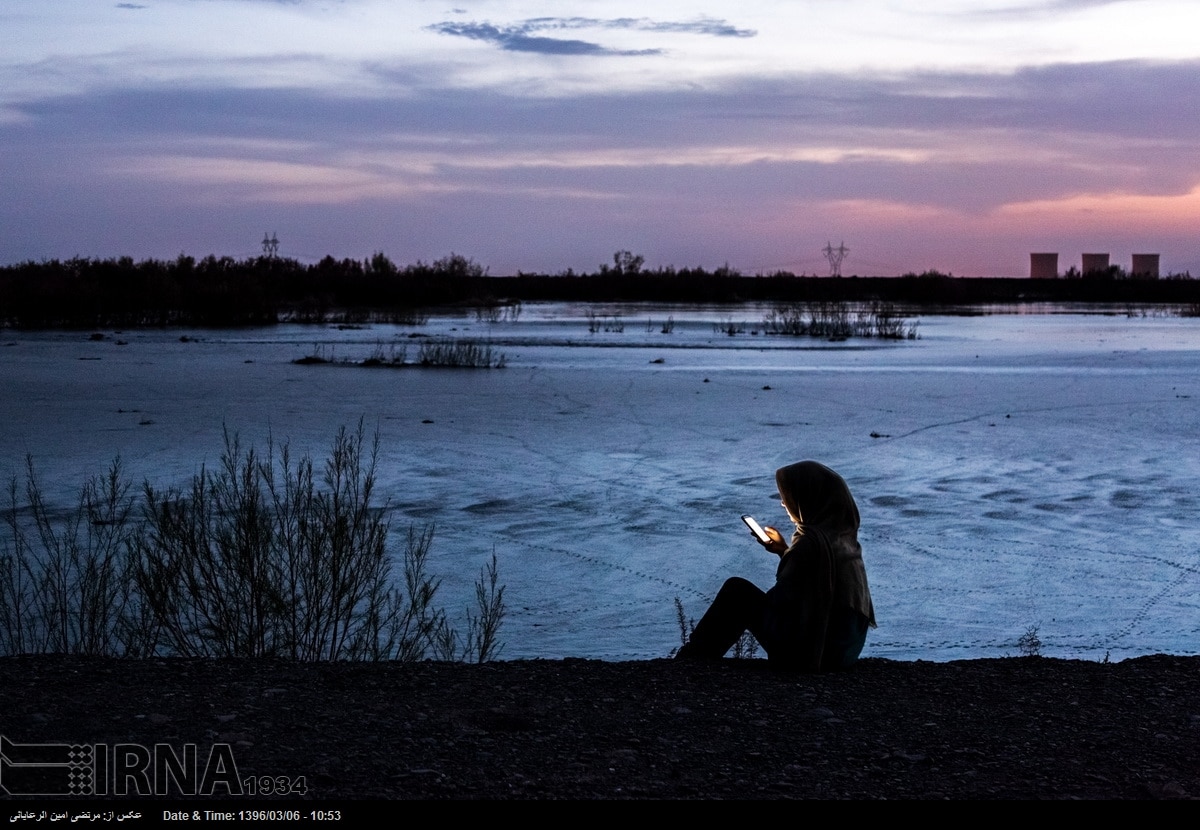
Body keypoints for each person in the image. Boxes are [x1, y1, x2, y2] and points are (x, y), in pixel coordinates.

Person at [675, 461, 876, 671]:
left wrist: (790, 557)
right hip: (842, 653)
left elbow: (783, 601)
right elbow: (814, 588)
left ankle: (692, 658)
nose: (783, 503)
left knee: (737, 592)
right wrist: (783, 551)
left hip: (813, 654)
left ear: (807, 498)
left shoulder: (810, 544)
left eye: (787, 496)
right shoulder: (842, 538)